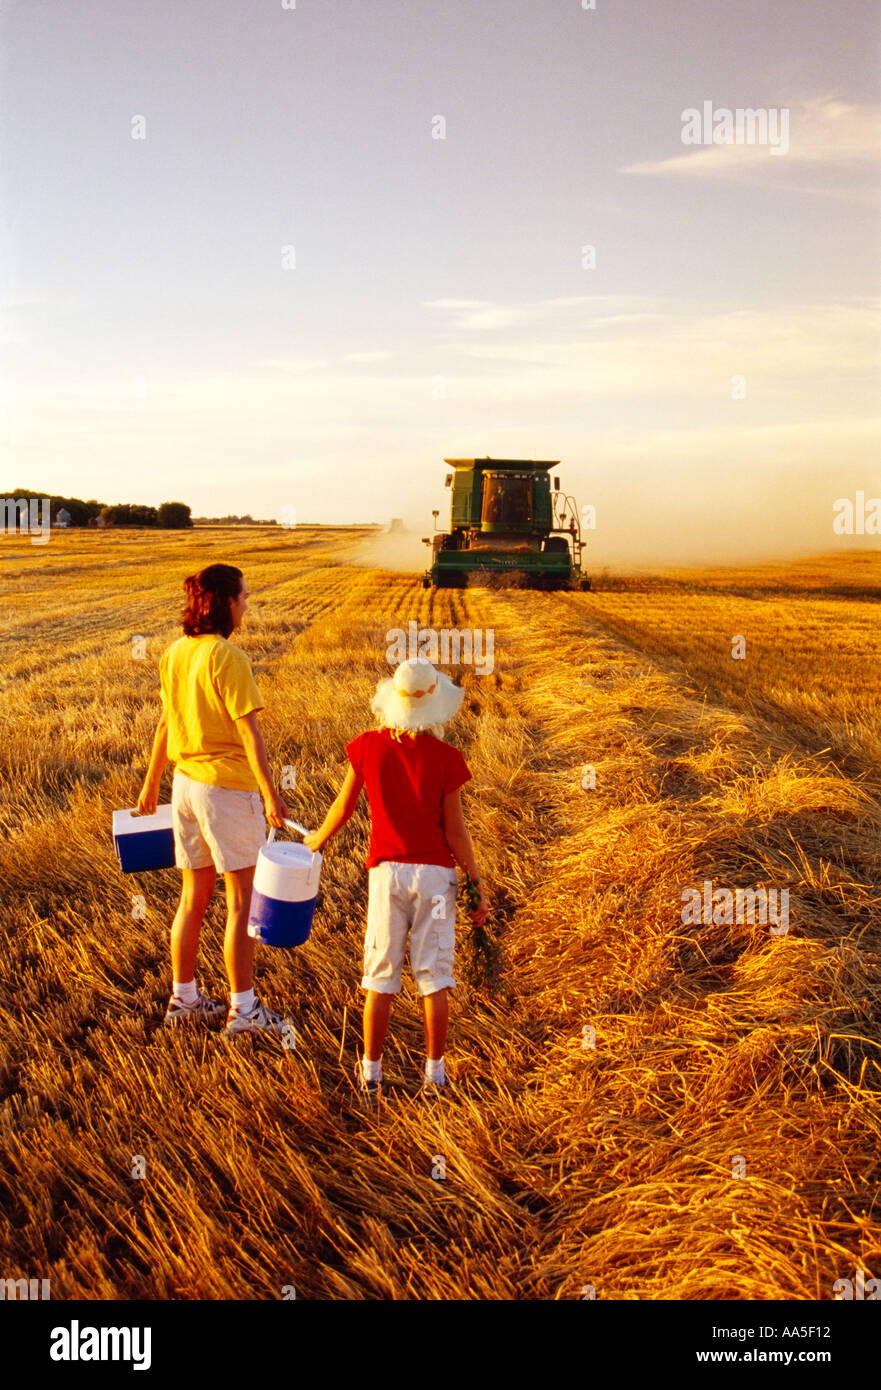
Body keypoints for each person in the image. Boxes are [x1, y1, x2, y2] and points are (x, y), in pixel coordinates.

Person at [303, 656, 488, 1105]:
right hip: (437, 879)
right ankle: (435, 1077)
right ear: (435, 706)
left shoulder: (368, 746)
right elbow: (456, 832)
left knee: (380, 978)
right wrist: (477, 882)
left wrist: (314, 842)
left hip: (385, 875)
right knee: (434, 979)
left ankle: (370, 1076)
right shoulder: (447, 759)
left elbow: (342, 809)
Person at [136, 563, 292, 1037]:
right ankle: (243, 1012)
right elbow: (250, 733)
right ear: (224, 601)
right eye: (244, 596)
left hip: (184, 787)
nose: (248, 603)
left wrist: (150, 784)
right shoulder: (228, 657)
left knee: (192, 898)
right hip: (224, 790)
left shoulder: (175, 653)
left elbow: (166, 724)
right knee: (241, 903)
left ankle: (183, 999)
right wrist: (270, 795)